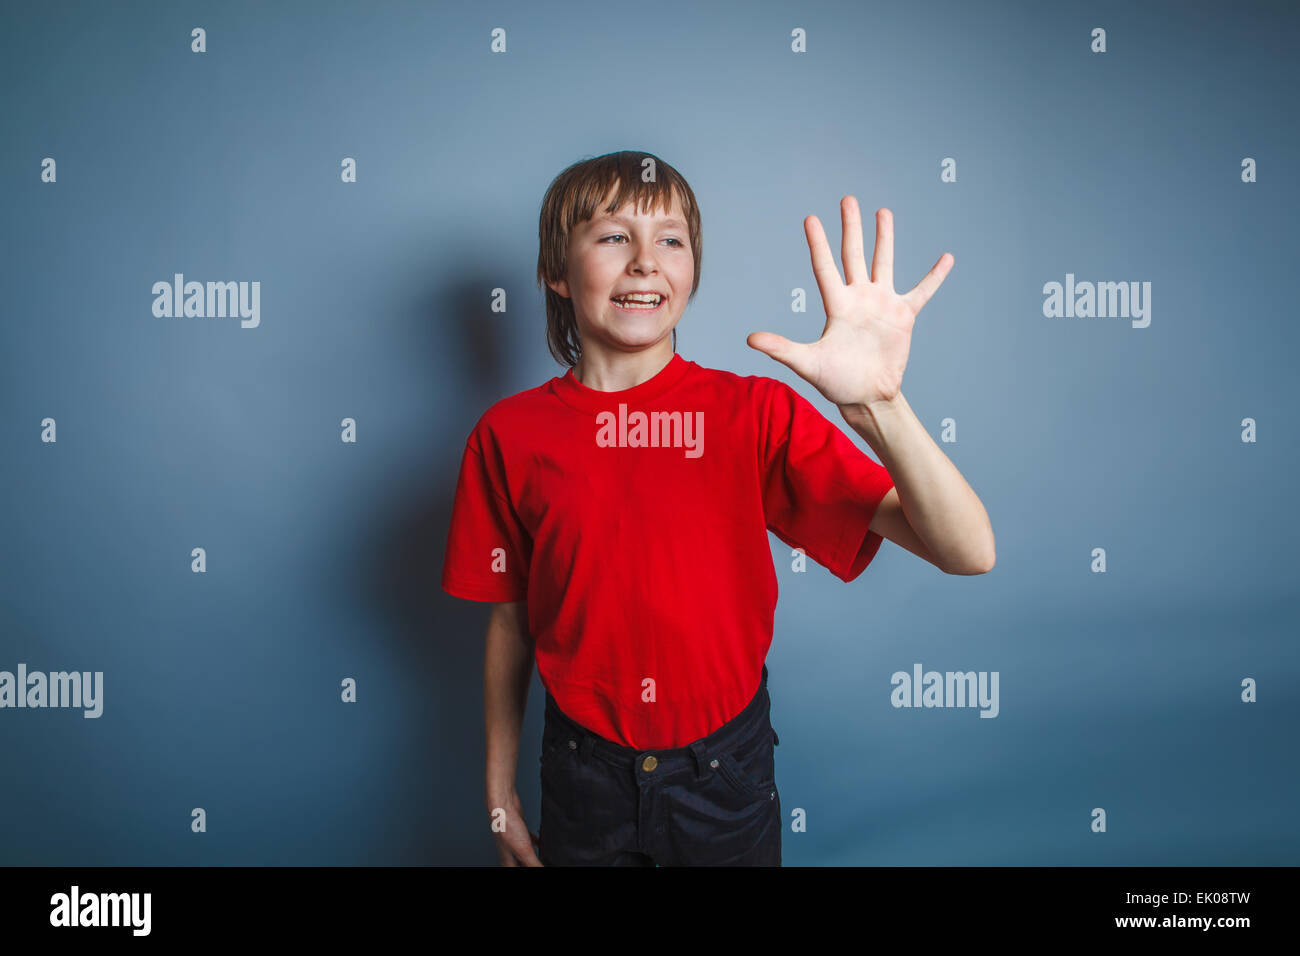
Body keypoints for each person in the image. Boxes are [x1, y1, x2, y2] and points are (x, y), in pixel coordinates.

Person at [441, 150, 995, 866]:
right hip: (582, 777)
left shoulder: (751, 415)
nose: (645, 261)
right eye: (613, 236)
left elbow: (968, 550)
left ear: (692, 269)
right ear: (555, 269)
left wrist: (882, 407)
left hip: (723, 778)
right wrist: (497, 792)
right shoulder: (507, 436)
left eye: (670, 239)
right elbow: (512, 616)